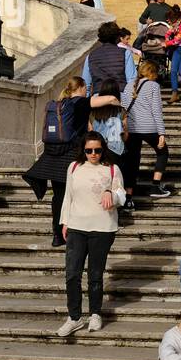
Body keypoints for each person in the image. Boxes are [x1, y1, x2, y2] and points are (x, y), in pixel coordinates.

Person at [24, 76, 121, 248]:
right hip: (69, 157)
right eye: (86, 88)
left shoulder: (61, 104)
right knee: (72, 195)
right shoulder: (81, 102)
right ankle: (72, 230)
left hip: (53, 157)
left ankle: (56, 233)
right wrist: (119, 105)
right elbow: (111, 98)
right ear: (82, 87)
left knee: (58, 197)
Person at [56, 131, 126, 338]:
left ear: (103, 149)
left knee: (95, 275)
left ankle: (95, 313)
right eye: (89, 150)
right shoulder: (74, 167)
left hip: (103, 228)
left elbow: (122, 195)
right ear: (83, 150)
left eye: (97, 150)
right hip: (77, 225)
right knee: (72, 273)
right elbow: (67, 195)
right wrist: (64, 222)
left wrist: (110, 193)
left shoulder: (112, 169)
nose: (93, 154)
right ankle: (74, 317)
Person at [121, 60, 170, 207]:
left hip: (132, 128)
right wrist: (162, 133)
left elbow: (124, 108)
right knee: (163, 152)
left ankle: (128, 197)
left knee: (132, 161)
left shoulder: (129, 85)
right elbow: (156, 110)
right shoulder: (154, 86)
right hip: (149, 128)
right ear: (153, 73)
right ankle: (155, 185)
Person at [82, 21, 137, 96]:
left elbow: (85, 86)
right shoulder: (125, 53)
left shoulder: (90, 56)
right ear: (117, 37)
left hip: (98, 98)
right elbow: (131, 81)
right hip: (120, 97)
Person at [88, 80, 126, 166]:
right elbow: (125, 135)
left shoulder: (93, 112)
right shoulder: (121, 111)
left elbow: (90, 131)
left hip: (98, 151)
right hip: (116, 151)